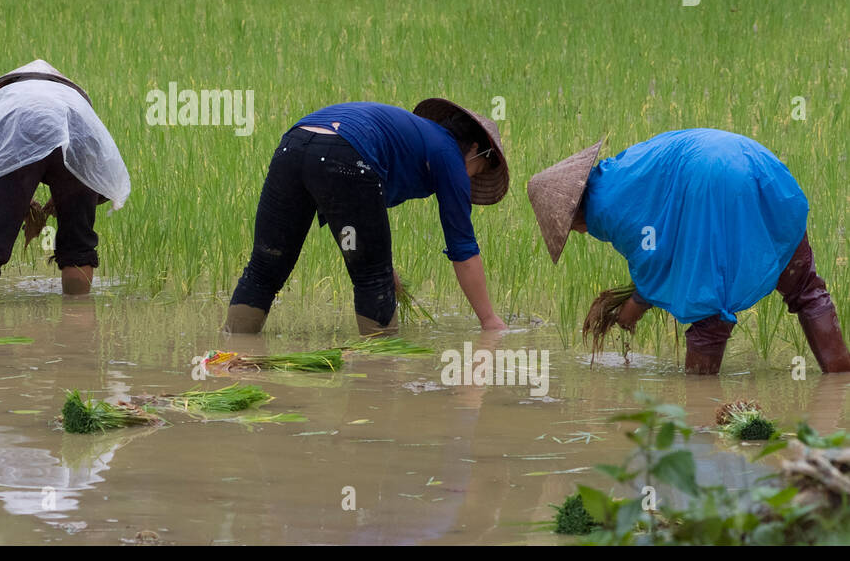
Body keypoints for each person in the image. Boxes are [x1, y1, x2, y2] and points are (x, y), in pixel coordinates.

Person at [528, 128, 850, 374]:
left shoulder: (604, 210)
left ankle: (700, 413)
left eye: (572, 228)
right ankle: (840, 381)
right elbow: (663, 234)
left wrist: (634, 307)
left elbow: (653, 255)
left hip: (711, 184)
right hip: (754, 161)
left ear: (575, 214)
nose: (580, 233)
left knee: (706, 309)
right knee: (805, 287)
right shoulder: (617, 169)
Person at [225, 98, 509, 336]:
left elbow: (348, 209)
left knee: (264, 268)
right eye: (478, 171)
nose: (469, 179)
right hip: (346, 151)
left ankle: (230, 354)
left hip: (294, 143)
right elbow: (463, 250)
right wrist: (489, 320)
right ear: (475, 149)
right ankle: (379, 378)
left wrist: (383, 265)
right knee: (373, 280)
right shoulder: (450, 156)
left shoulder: (417, 137)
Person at [0, 60, 130, 304]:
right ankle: (78, 323)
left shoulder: (7, 106)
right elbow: (95, 175)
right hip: (75, 129)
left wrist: (17, 202)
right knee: (79, 247)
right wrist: (67, 197)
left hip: (18, 129)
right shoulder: (74, 105)